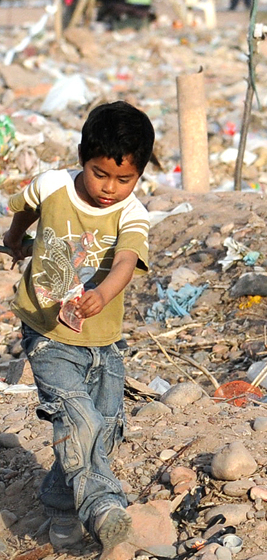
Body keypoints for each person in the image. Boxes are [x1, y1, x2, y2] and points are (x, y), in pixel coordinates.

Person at [4, 101, 156, 554]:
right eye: (99, 174)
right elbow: (25, 211)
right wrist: (14, 240)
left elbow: (125, 261)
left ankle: (60, 503)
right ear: (82, 158)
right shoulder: (52, 185)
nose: (110, 188)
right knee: (78, 417)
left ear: (140, 174)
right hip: (47, 331)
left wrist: (101, 295)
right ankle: (104, 509)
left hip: (102, 338)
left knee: (103, 428)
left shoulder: (132, 213)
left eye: (124, 179)